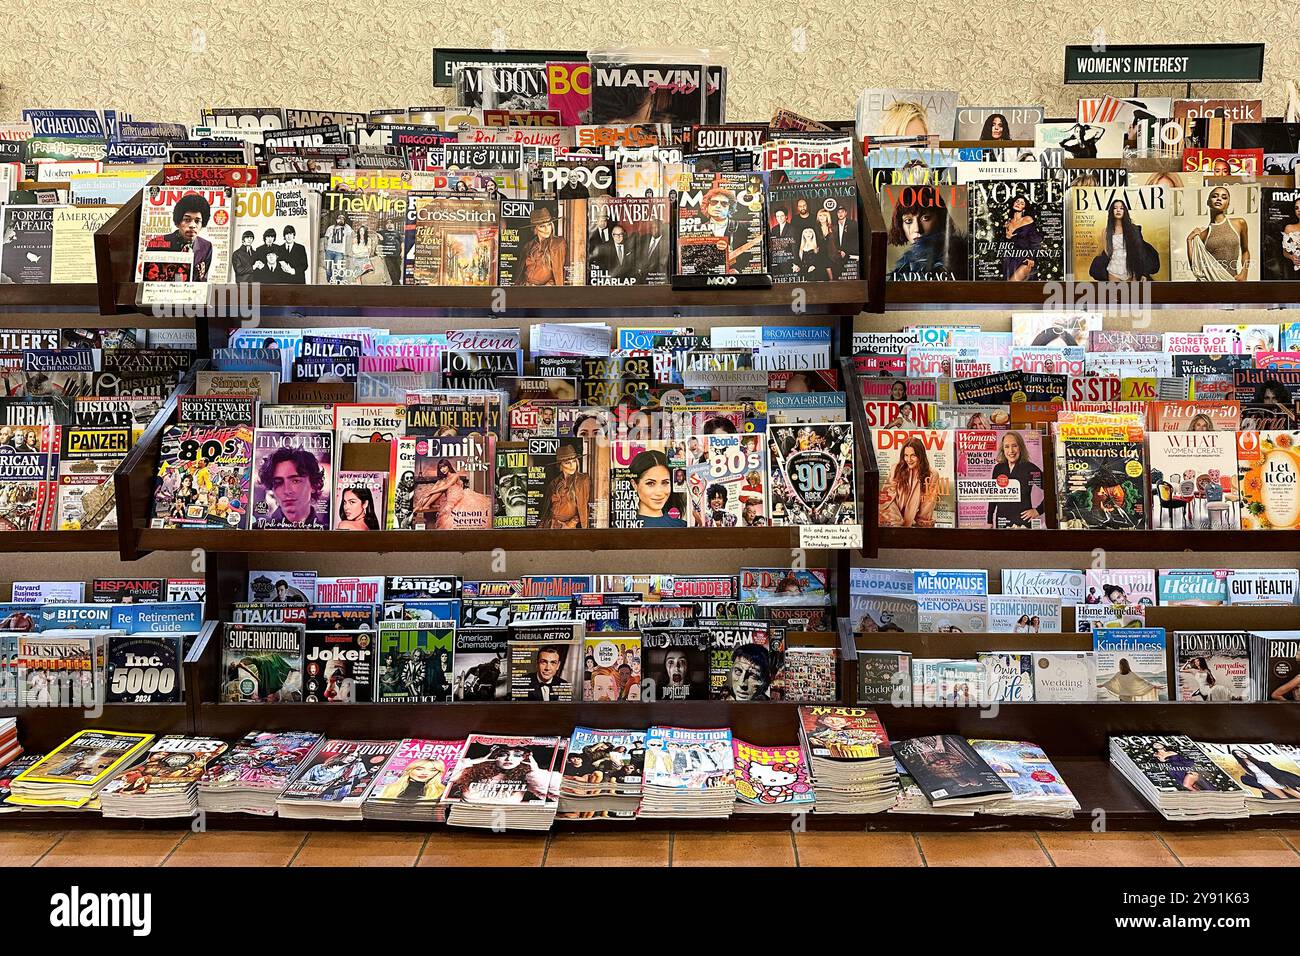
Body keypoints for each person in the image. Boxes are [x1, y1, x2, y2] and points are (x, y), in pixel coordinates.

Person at [888, 186, 967, 279]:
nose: (917, 228)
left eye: (925, 218)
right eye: (908, 221)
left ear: (940, 218)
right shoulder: (906, 265)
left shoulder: (957, 260)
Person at [1185, 186, 1251, 281]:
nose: (1219, 199)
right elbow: (1196, 268)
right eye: (1215, 196)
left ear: (1228, 204)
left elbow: (1245, 250)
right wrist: (1189, 240)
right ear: (1208, 202)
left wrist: (1244, 273)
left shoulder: (1239, 223)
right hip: (1209, 284)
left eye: (1224, 197)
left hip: (1231, 280)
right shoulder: (1203, 234)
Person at [256, 445, 327, 527]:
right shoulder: (257, 532)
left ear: (314, 485)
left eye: (295, 481)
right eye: (278, 482)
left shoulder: (329, 533)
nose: (287, 490)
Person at [1090, 197, 1159, 280]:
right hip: (1114, 268)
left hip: (1131, 268)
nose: (1118, 210)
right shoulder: (1106, 231)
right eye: (1115, 208)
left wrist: (1142, 272)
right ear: (1111, 211)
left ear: (1125, 211)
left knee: (1134, 292)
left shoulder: (1133, 229)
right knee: (1114, 292)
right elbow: (1107, 252)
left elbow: (1139, 251)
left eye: (1121, 208)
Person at [880, 435, 939, 527]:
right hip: (893, 522)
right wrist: (897, 523)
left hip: (914, 527)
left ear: (920, 455)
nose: (908, 460)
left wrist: (920, 528)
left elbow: (927, 505)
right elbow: (887, 499)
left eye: (913, 455)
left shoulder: (931, 475)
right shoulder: (896, 469)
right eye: (906, 455)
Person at [987, 431, 1042, 528]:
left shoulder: (1030, 468)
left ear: (1020, 447)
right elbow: (993, 496)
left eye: (1014, 446)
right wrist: (989, 520)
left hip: (1023, 523)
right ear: (1003, 449)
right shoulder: (998, 468)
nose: (1011, 451)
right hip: (1002, 521)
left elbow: (1051, 491)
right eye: (1007, 447)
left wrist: (1038, 510)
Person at [154, 193, 213, 281]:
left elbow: (203, 280)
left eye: (197, 221)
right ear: (178, 222)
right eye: (187, 220)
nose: (192, 225)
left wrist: (199, 276)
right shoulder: (157, 243)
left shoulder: (206, 246)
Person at [537, 441, 590, 529]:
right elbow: (547, 508)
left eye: (573, 461)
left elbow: (584, 506)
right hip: (550, 525)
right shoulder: (554, 483)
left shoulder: (582, 480)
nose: (572, 465)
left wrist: (571, 523)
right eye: (567, 463)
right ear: (560, 466)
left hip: (568, 527)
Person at [627, 449, 685, 527]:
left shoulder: (681, 525)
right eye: (650, 483)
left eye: (665, 483)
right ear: (634, 484)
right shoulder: (622, 525)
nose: (659, 492)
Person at [516, 205, 566, 286]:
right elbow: (521, 272)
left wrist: (546, 287)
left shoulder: (557, 244)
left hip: (544, 292)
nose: (547, 229)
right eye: (542, 226)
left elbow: (559, 271)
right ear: (535, 229)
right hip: (526, 289)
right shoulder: (529, 245)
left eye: (549, 224)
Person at [1229, 748, 1300, 800]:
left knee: (1288, 789)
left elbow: (1270, 769)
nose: (1240, 754)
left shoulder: (1256, 761)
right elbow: (1250, 774)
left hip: (1272, 777)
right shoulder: (1242, 765)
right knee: (1282, 797)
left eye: (1240, 752)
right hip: (1263, 781)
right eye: (1237, 754)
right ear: (1237, 757)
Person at [322, 213, 352, 282]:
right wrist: (325, 248)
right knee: (328, 268)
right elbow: (326, 238)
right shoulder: (330, 227)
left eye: (343, 219)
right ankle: (329, 281)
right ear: (336, 220)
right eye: (339, 218)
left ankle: (339, 282)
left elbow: (352, 233)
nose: (341, 220)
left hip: (339, 252)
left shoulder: (346, 228)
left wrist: (344, 223)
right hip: (329, 251)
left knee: (339, 269)